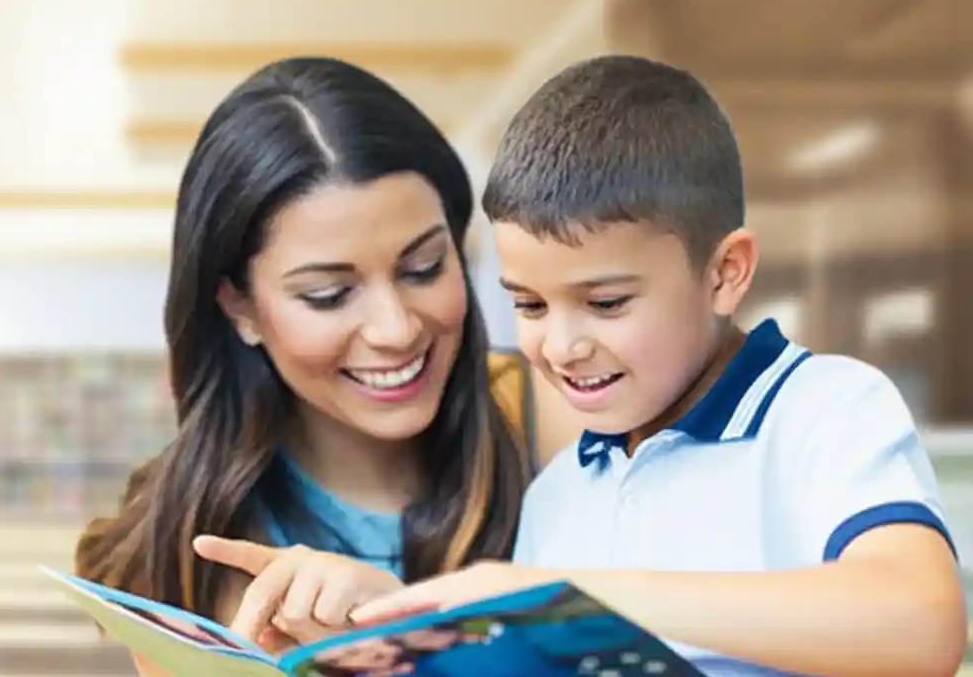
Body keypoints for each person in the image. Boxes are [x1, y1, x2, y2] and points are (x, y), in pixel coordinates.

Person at [351, 55, 967, 676]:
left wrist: (577, 594)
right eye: (529, 304)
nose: (563, 345)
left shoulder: (825, 410)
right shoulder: (558, 493)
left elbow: (922, 628)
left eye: (606, 303)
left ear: (726, 273)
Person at [74, 56, 529, 676]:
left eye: (424, 267)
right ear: (240, 306)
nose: (396, 329)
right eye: (328, 295)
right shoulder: (197, 555)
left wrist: (410, 631)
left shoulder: (548, 414)